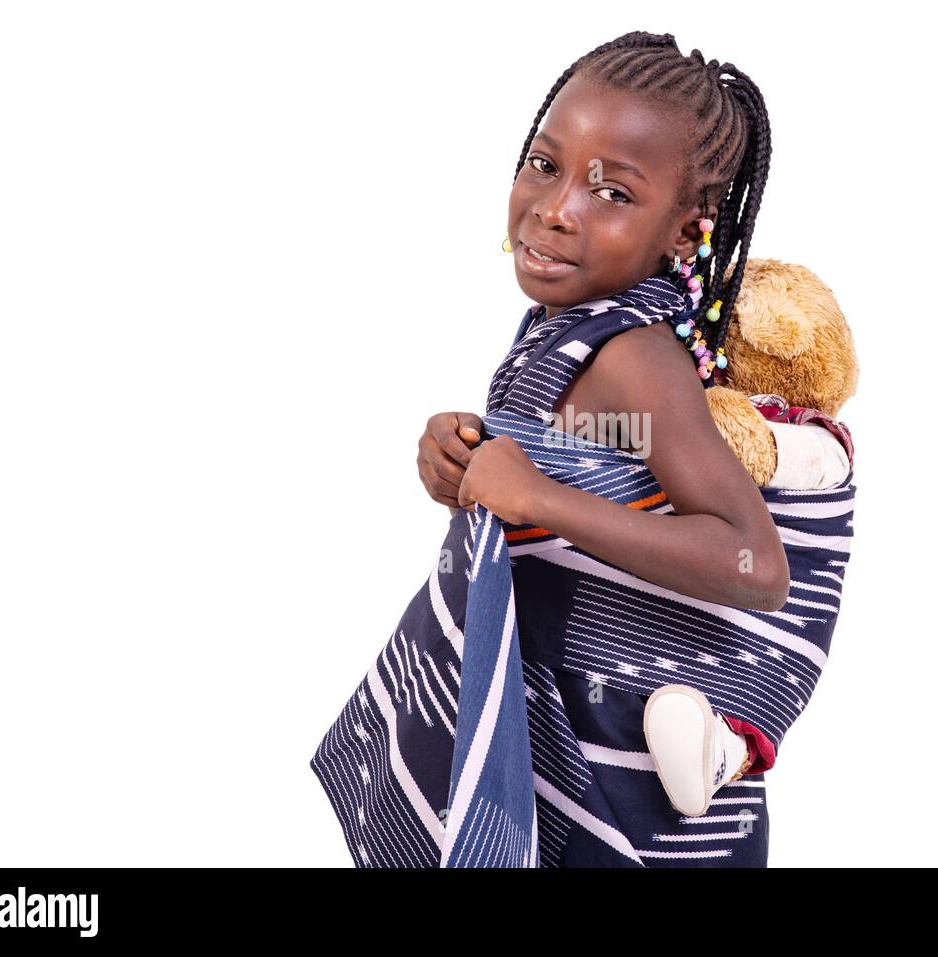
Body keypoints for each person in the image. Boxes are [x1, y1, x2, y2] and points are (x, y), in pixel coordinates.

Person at [314, 31, 823, 867]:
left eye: (612, 192)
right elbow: (601, 459)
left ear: (684, 236)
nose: (556, 208)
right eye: (545, 165)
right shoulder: (567, 324)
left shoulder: (634, 355)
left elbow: (755, 562)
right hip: (555, 734)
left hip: (621, 787)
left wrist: (540, 497)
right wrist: (467, 460)